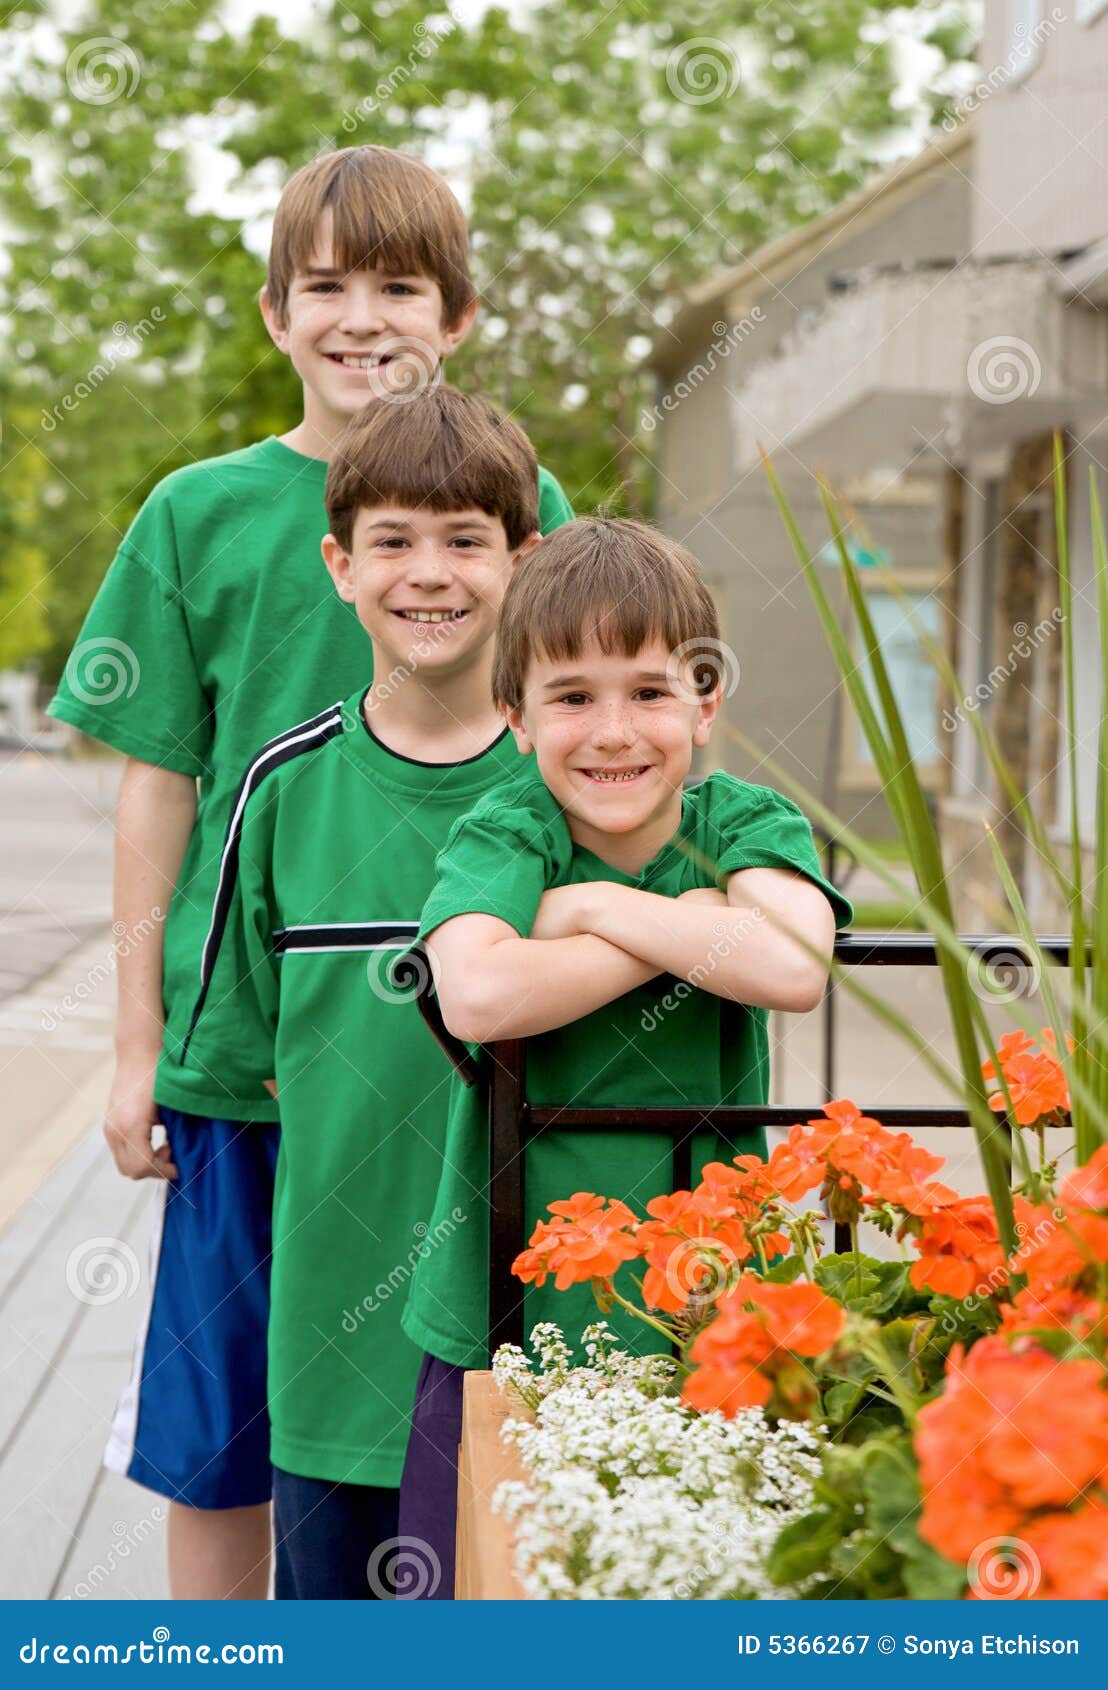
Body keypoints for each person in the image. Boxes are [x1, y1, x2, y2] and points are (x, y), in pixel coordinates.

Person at [46, 146, 573, 1600]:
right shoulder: (197, 514)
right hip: (252, 1054)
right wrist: (136, 1049)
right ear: (276, 313)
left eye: (399, 285)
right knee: (223, 1434)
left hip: (463, 1054)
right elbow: (157, 790)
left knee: (450, 1416)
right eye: (326, 286)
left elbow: (573, 735)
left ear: (457, 315)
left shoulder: (517, 495)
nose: (362, 317)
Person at [397, 516, 855, 1596]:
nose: (613, 732)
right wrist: (684, 931)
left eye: (649, 691)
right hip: (506, 1298)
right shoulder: (510, 827)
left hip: (704, 1302)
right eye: (571, 697)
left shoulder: (741, 820)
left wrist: (592, 911)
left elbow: (793, 964)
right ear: (516, 719)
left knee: (693, 1585)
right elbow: (476, 992)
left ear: (704, 703)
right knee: (486, 1585)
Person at [169, 384, 551, 1597]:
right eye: (392, 540)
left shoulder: (573, 794)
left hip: (537, 1357)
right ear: (340, 565)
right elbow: (245, 1067)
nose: (427, 573)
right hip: (332, 1361)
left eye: (465, 540)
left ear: (525, 559)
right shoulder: (280, 792)